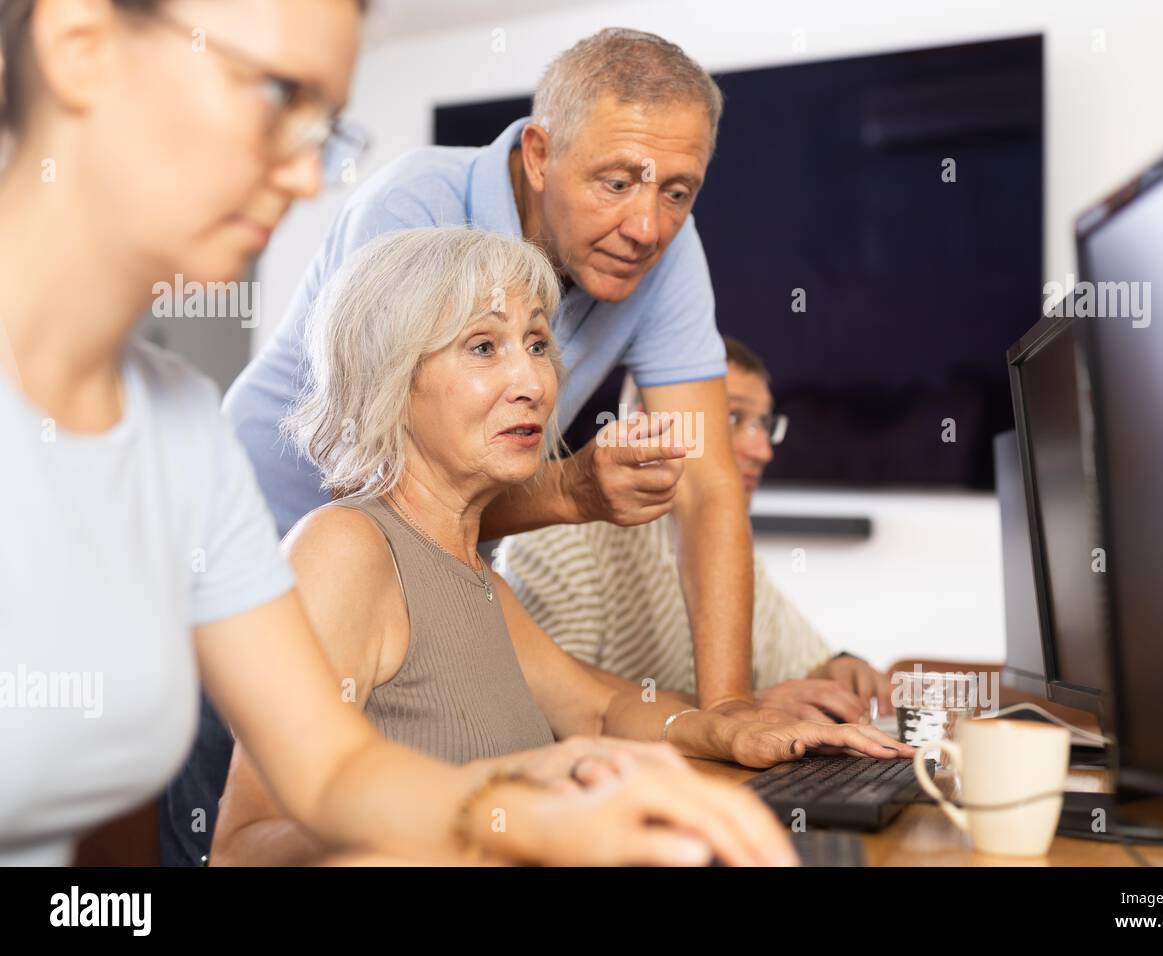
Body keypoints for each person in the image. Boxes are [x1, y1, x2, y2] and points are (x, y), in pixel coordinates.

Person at [0, 0, 796, 868]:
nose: (309, 179)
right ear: (78, 43)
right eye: (276, 92)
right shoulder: (327, 514)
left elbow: (339, 776)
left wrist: (544, 794)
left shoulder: (182, 424)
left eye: (324, 125)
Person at [208, 226, 912, 865]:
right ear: (389, 378)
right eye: (485, 347)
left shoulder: (470, 570)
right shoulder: (345, 548)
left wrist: (734, 732)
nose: (532, 383)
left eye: (538, 344)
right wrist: (505, 801)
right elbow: (246, 847)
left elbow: (603, 710)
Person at [499, 337, 898, 722]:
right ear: (643, 423)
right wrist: (740, 710)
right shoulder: (563, 539)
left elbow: (798, 658)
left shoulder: (727, 545)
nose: (763, 451)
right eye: (733, 419)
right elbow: (556, 712)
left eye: (764, 424)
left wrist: (841, 666)